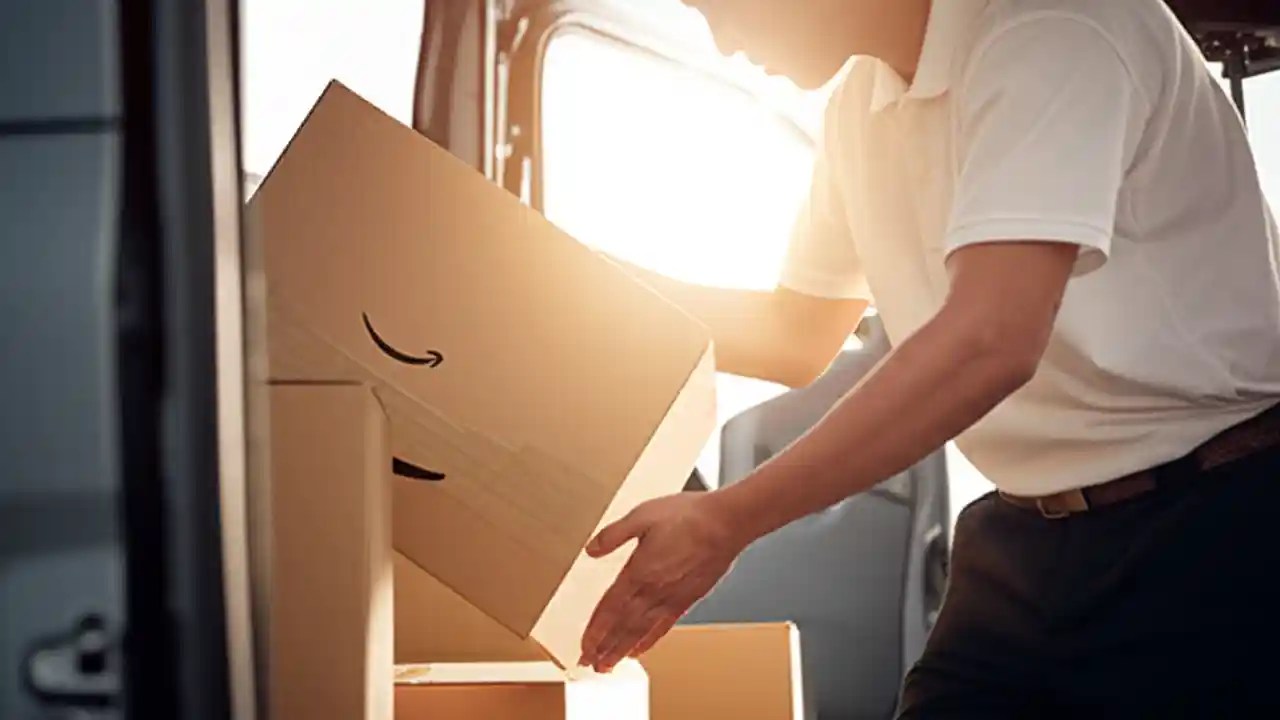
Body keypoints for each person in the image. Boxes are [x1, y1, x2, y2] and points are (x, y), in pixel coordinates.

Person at [575, 0, 1280, 716]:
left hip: (1208, 529)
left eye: (726, 6)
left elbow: (990, 340)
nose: (724, 41)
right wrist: (565, 281)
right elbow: (794, 333)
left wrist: (727, 520)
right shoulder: (860, 108)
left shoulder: (1056, 25)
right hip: (1023, 536)